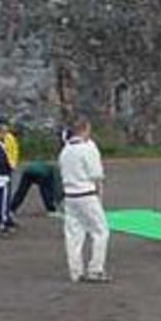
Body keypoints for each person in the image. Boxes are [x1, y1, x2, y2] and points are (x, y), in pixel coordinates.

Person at [57, 116, 110, 283]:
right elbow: (96, 174)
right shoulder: (87, 149)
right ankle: (95, 269)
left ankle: (75, 271)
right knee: (101, 231)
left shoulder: (65, 151)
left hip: (70, 195)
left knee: (73, 235)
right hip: (86, 194)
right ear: (85, 129)